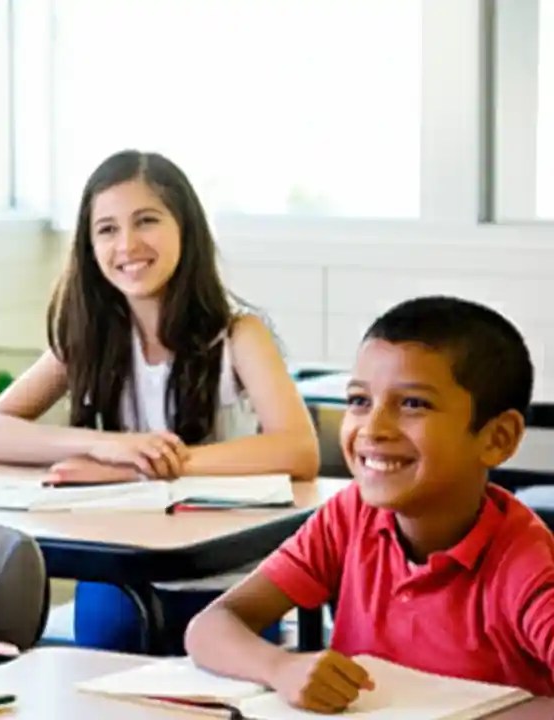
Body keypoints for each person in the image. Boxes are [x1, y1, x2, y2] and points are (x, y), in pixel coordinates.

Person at [0, 149, 318, 652]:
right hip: (123, 580)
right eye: (106, 229)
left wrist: (149, 465)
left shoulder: (239, 334)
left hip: (228, 589)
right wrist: (111, 446)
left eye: (146, 221)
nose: (127, 244)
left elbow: (298, 450)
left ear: (185, 228)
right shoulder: (89, 338)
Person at [187, 296, 554, 712]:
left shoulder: (525, 563)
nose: (373, 428)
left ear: (497, 438)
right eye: (360, 400)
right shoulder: (350, 518)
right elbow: (210, 627)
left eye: (413, 404)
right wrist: (280, 667)